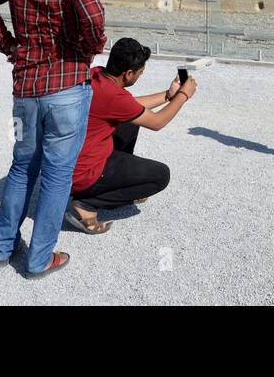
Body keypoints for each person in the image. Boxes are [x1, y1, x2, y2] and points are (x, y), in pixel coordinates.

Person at [0, 0, 108, 279]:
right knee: (56, 174)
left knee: (21, 166)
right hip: (66, 89)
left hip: (25, 90)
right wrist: (90, 47)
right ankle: (38, 258)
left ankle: (2, 248)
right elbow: (95, 21)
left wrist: (8, 44)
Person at [66, 38, 194, 235]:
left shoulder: (97, 74)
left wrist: (168, 95)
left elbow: (128, 107)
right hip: (83, 174)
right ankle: (87, 201)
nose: (141, 75)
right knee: (160, 176)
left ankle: (107, 186)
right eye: (141, 72)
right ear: (128, 74)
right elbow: (158, 122)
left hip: (71, 163)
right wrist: (183, 96)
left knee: (129, 124)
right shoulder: (114, 96)